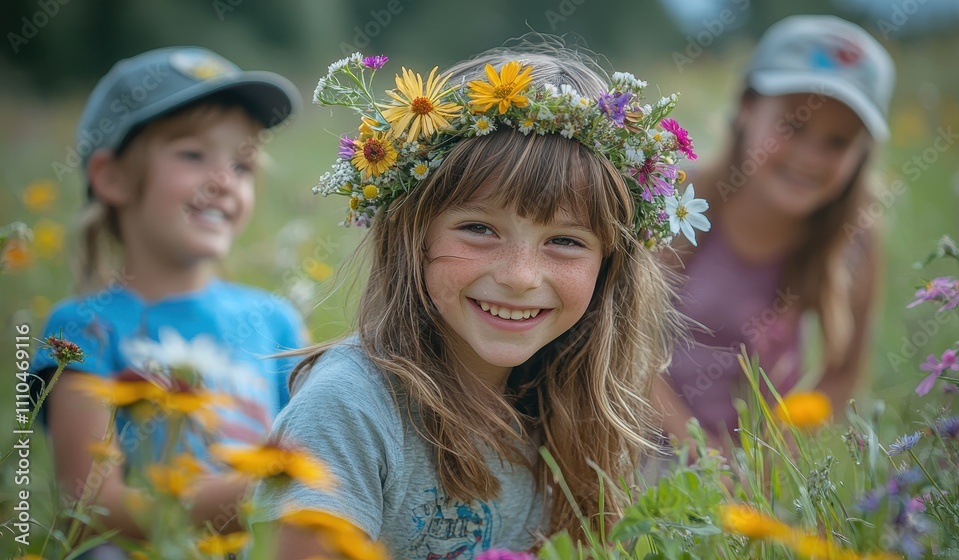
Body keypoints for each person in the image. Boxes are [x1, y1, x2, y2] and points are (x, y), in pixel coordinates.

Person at [250, 45, 700, 559]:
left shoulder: (568, 415)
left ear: (610, 266)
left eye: (566, 241)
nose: (519, 277)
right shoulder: (351, 410)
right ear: (411, 233)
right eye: (479, 229)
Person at [30, 46, 308, 555]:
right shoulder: (83, 327)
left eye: (243, 165)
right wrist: (261, 491)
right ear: (112, 177)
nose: (225, 181)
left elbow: (307, 450)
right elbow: (90, 509)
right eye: (193, 155)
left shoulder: (276, 322)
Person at [654, 15, 896, 448]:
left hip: (749, 479)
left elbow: (842, 376)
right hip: (633, 449)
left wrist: (770, 460)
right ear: (746, 108)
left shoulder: (855, 239)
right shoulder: (676, 198)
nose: (810, 157)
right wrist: (705, 461)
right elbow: (619, 342)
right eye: (793, 125)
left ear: (862, 154)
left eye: (838, 142)